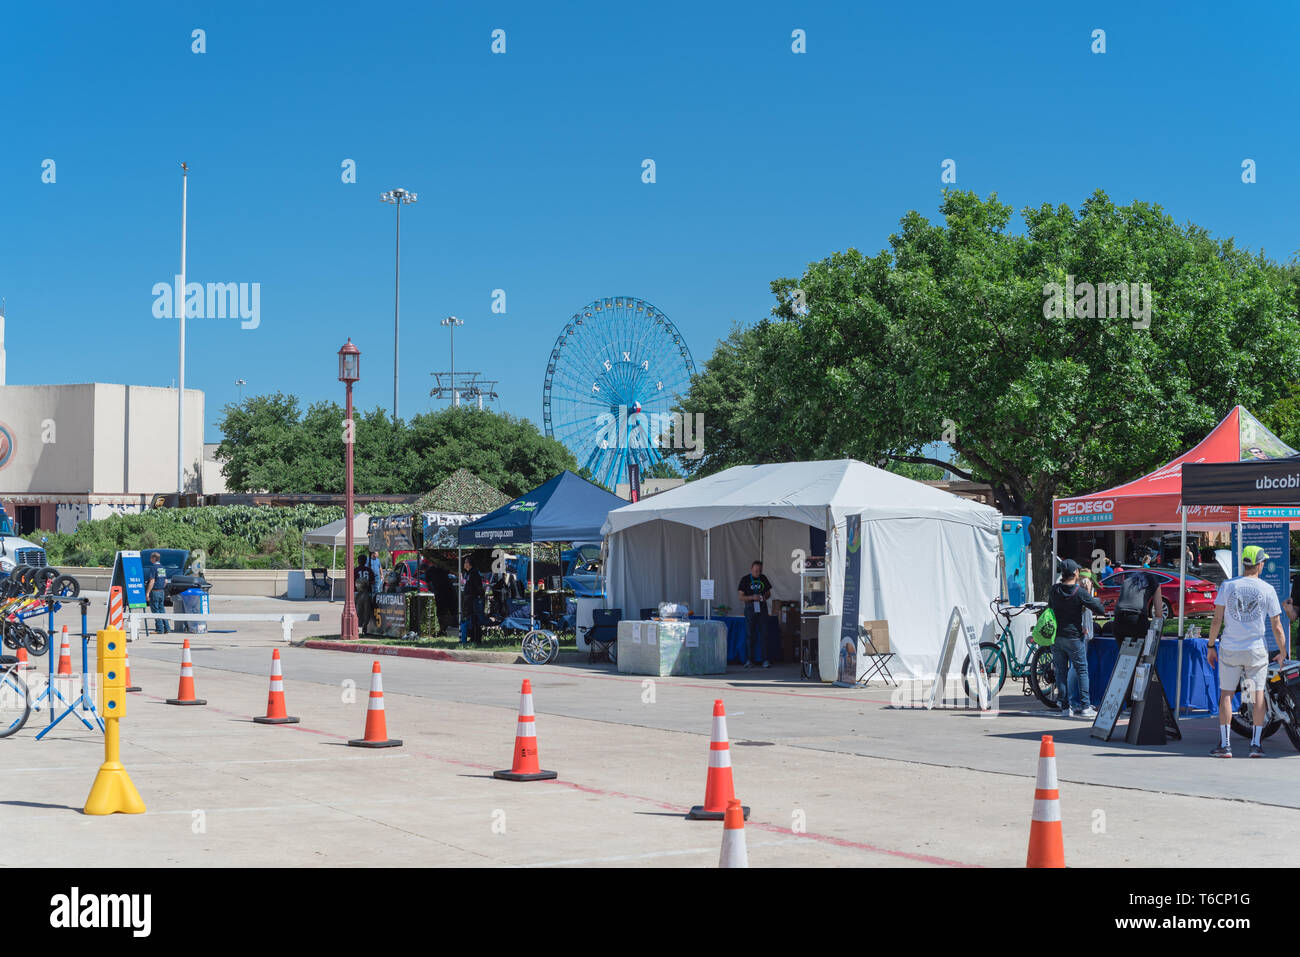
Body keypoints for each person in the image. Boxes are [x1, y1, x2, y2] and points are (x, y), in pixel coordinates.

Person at [1207, 545, 1289, 758]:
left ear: (1244, 563)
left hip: (1230, 649)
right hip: (1255, 651)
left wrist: (1210, 646)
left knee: (1226, 694)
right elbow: (1277, 626)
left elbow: (1216, 620)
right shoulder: (1267, 589)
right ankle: (1255, 745)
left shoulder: (1227, 586)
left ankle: (1225, 746)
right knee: (1256, 695)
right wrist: (1283, 651)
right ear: (1260, 564)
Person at [1047, 560, 1104, 717]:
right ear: (1076, 573)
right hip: (1074, 637)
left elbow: (1049, 609)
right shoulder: (1079, 592)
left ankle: (1066, 707)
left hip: (1057, 637)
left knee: (1061, 672)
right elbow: (1099, 608)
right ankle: (1085, 706)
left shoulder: (1054, 590)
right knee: (1081, 670)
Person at [736, 560, 772, 669]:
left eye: (759, 571)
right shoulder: (745, 579)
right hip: (750, 607)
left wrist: (764, 597)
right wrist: (752, 597)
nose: (758, 573)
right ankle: (749, 660)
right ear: (751, 569)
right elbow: (741, 597)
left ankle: (765, 660)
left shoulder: (763, 578)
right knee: (750, 634)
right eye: (756, 571)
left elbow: (769, 593)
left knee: (764, 633)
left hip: (762, 607)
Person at [1112, 565, 1162, 640]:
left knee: (1123, 650)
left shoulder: (1126, 581)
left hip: (1118, 620)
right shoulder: (1154, 582)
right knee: (1144, 649)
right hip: (1137, 619)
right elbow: (1158, 614)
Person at [144, 551, 170, 634]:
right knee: (162, 610)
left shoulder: (153, 567)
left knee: (155, 610)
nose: (150, 559)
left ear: (154, 558)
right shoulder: (162, 567)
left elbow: (152, 581)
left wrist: (147, 592)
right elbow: (165, 581)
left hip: (155, 592)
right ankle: (167, 628)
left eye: (151, 558)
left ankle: (159, 629)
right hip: (161, 591)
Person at [462, 555, 485, 644]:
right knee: (470, 619)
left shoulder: (474, 573)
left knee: (475, 619)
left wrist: (478, 598)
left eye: (466, 562)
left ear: (470, 564)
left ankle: (476, 639)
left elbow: (478, 588)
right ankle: (472, 637)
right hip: (469, 599)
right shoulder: (468, 573)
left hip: (474, 600)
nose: (464, 564)